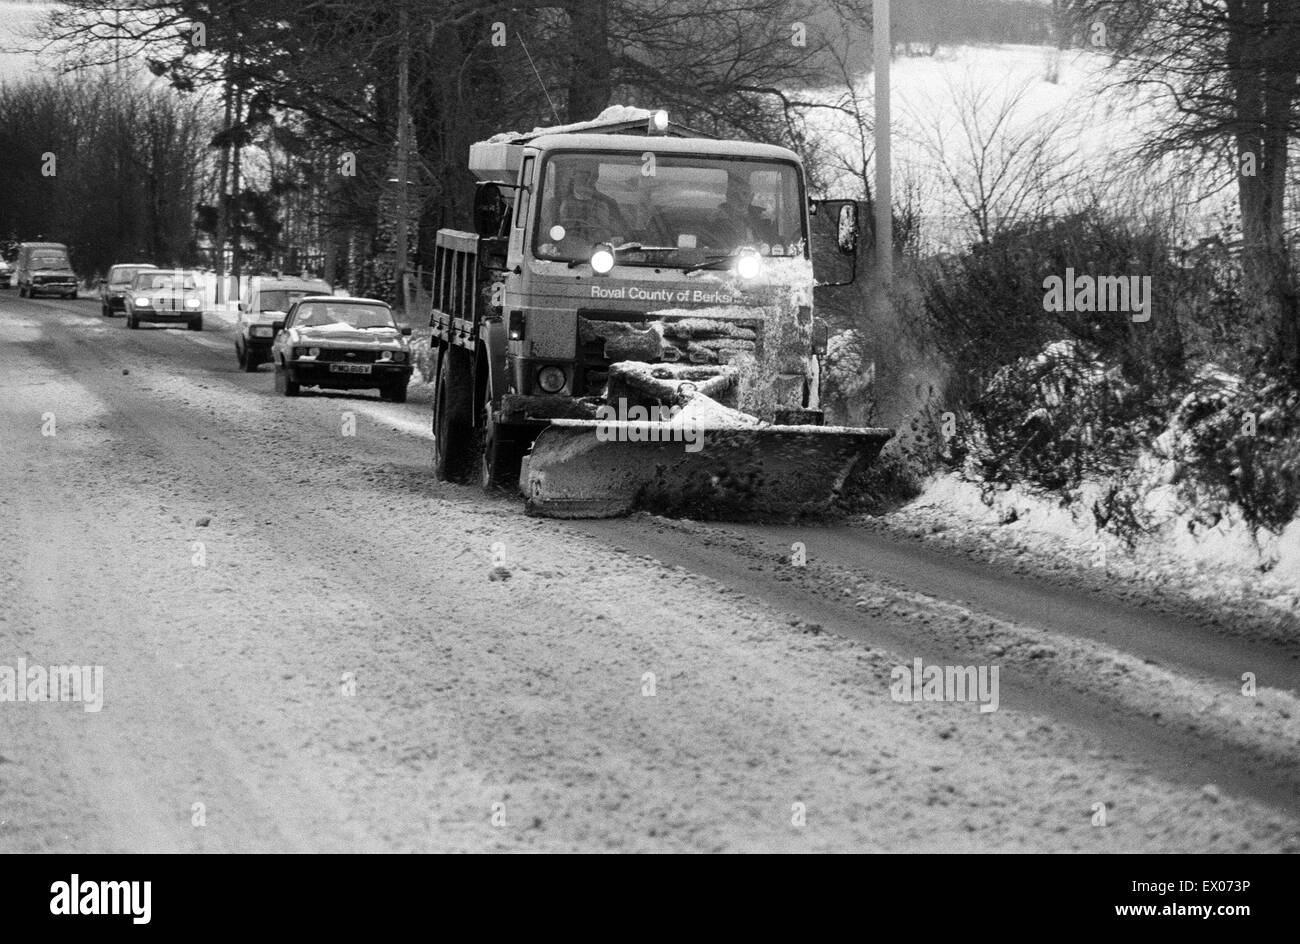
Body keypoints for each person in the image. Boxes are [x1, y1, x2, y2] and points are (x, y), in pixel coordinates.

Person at [553, 161, 628, 243]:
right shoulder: (557, 203)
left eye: (594, 175)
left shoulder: (609, 203)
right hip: (563, 250)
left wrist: (618, 237)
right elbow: (545, 233)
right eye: (585, 174)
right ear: (574, 174)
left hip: (600, 250)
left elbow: (622, 232)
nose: (589, 179)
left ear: (596, 178)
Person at [711, 172, 778, 248]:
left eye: (745, 194)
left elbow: (774, 244)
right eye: (734, 195)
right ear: (727, 197)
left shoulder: (764, 218)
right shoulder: (717, 220)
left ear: (751, 197)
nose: (740, 199)